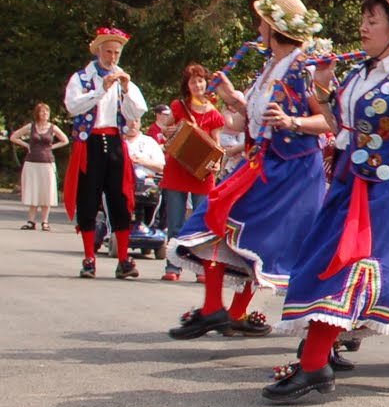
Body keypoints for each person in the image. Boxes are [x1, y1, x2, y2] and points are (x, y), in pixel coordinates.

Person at [269, 0, 389, 401]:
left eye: (372, 20)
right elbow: (340, 128)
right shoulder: (362, 72)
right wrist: (322, 87)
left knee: (351, 268)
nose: (362, 27)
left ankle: (315, 363)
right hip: (353, 185)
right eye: (363, 19)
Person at [169, 0, 331, 340]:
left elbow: (330, 121)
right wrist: (232, 99)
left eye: (262, 23)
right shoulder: (270, 66)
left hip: (293, 171)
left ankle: (233, 311)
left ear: (275, 29)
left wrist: (292, 121)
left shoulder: (305, 68)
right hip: (263, 162)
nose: (257, 28)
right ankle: (221, 310)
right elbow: (254, 120)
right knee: (222, 220)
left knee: (257, 235)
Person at [63, 26, 148, 279]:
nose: (112, 57)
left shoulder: (123, 80)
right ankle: (89, 257)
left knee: (121, 200)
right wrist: (101, 89)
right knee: (88, 199)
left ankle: (123, 258)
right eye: (108, 52)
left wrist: (126, 88)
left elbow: (137, 113)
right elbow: (73, 106)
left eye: (116, 53)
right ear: (99, 51)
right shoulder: (81, 78)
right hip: (89, 143)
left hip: (114, 143)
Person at [158, 63, 227, 281]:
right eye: (192, 81)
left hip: (202, 175)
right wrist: (168, 132)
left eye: (200, 80)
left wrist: (217, 164)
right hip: (177, 170)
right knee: (176, 223)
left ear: (206, 83)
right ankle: (173, 267)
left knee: (201, 224)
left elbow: (217, 145)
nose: (197, 84)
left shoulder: (215, 114)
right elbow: (164, 131)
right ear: (187, 85)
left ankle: (200, 269)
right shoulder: (178, 107)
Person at [11, 103, 67, 230]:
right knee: (33, 190)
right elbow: (14, 137)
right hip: (32, 163)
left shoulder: (52, 128)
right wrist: (26, 145)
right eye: (42, 112)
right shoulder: (31, 126)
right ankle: (31, 221)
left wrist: (52, 147)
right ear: (37, 113)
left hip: (47, 163)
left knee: (46, 191)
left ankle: (45, 221)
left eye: (46, 112)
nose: (45, 114)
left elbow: (65, 140)